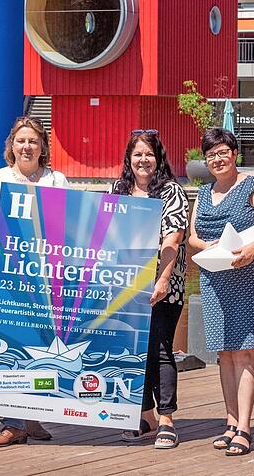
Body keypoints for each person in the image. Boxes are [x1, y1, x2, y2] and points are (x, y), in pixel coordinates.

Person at [0, 116, 67, 447]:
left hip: (47, 281)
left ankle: (32, 417)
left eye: (33, 141)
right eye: (21, 140)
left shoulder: (57, 181)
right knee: (8, 347)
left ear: (43, 147)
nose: (26, 146)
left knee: (40, 348)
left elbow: (71, 226)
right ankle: (12, 422)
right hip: (6, 279)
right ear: (12, 145)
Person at [188, 128, 254, 456]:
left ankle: (244, 426)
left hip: (250, 276)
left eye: (223, 152)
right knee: (224, 354)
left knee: (244, 352)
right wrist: (208, 245)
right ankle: (230, 421)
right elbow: (192, 237)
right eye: (211, 154)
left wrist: (251, 250)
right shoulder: (202, 192)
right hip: (215, 278)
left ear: (234, 153)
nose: (217, 158)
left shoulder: (253, 186)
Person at [112, 130, 189, 449]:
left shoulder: (171, 191)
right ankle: (145, 416)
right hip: (125, 284)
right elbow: (105, 232)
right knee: (133, 350)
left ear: (159, 159)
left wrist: (162, 279)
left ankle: (167, 419)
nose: (143, 160)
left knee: (159, 348)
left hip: (163, 284)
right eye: (137, 154)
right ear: (129, 159)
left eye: (149, 154)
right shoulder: (118, 189)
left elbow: (174, 237)